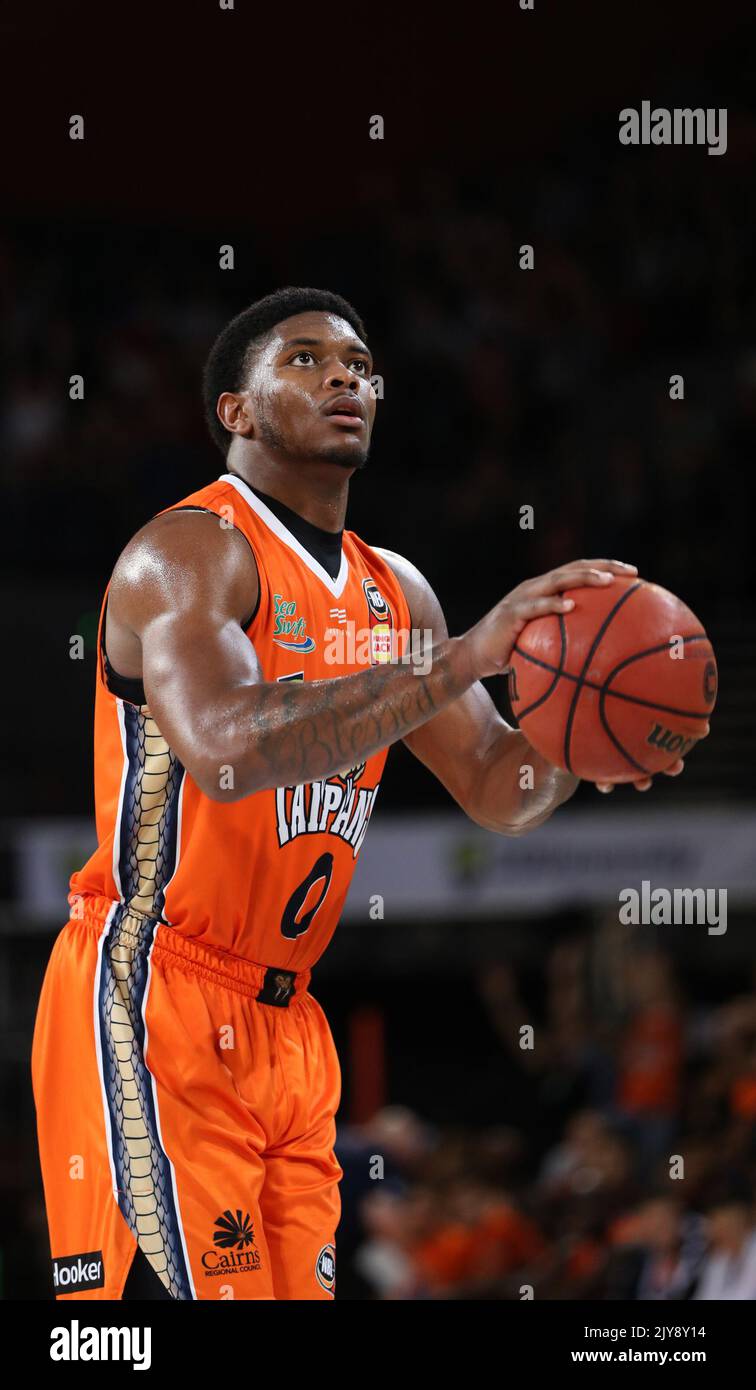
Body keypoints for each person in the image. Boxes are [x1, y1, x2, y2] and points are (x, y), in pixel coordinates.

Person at [31, 286, 684, 1301]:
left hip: (290, 1028)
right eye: (305, 359)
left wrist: (585, 743)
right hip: (156, 986)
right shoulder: (190, 552)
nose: (346, 376)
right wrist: (466, 657)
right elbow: (226, 751)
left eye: (360, 365)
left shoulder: (397, 594)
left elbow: (495, 784)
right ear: (235, 412)